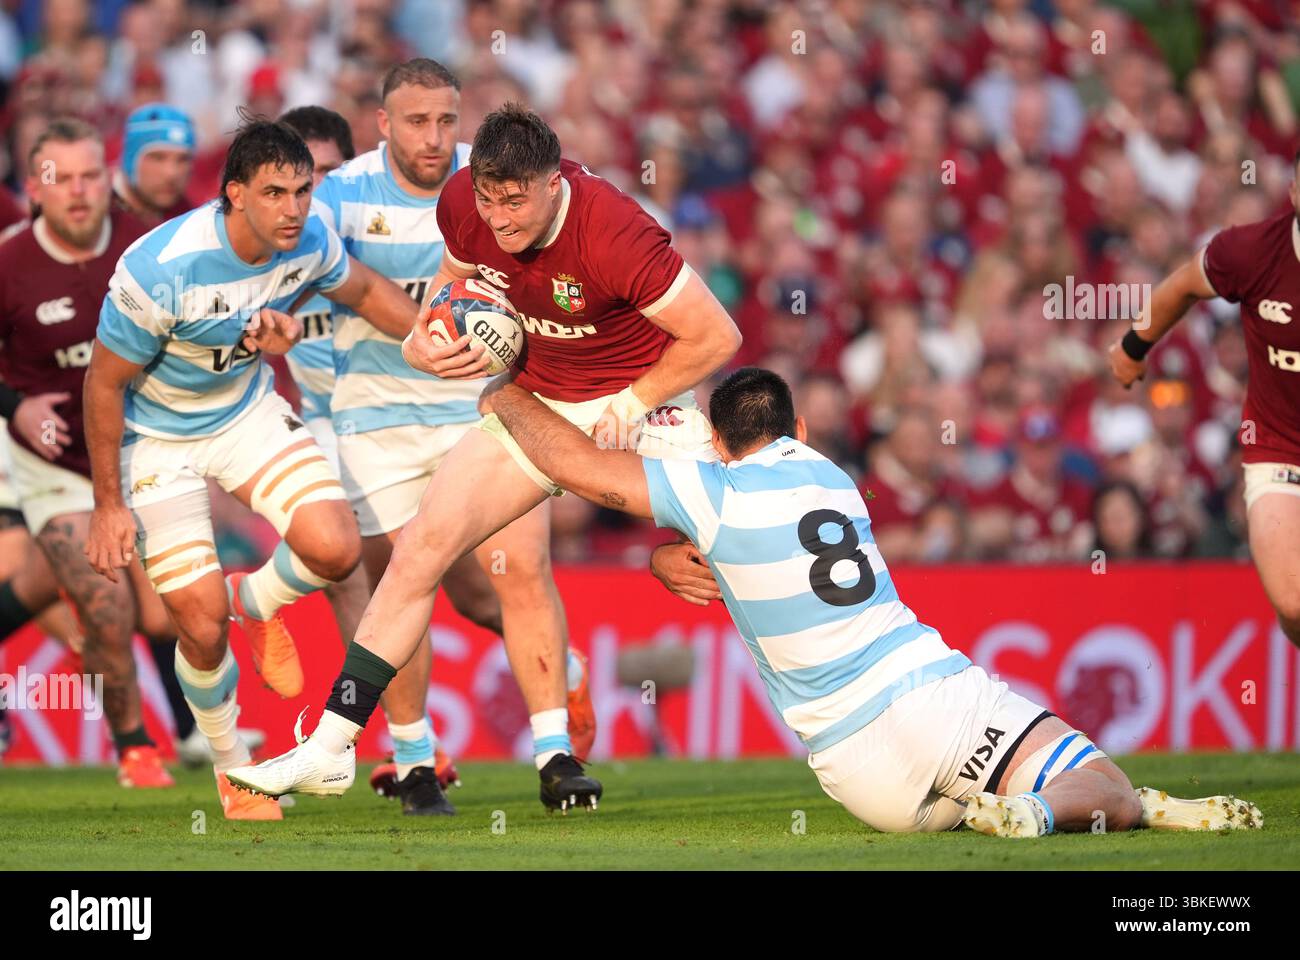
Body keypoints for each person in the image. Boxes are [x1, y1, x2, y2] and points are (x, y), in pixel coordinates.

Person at [472, 367, 1261, 837]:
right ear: (802, 429)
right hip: (929, 697)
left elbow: (577, 468)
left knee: (996, 792)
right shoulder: (837, 481)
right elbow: (759, 530)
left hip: (858, 779)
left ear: (718, 444)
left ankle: (1032, 805)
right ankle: (1055, 813)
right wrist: (669, 548)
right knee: (1107, 787)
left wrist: (505, 395)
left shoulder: (710, 492)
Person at [225, 102, 742, 813]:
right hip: (535, 407)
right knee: (417, 556)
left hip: (636, 411)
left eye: (515, 201)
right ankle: (329, 746)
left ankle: (884, 707)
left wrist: (631, 401)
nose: (498, 218)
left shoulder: (616, 231)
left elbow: (717, 336)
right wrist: (424, 343)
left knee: (748, 556)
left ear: (554, 182)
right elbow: (448, 292)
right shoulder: (465, 203)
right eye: (489, 199)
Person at [83, 116, 425, 819]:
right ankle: (235, 770)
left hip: (244, 416)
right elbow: (102, 384)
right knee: (201, 627)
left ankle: (256, 601)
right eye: (275, 192)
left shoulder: (308, 241)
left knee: (336, 551)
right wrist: (109, 504)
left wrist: (433, 338)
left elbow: (362, 292)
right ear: (233, 194)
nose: (294, 208)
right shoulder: (161, 267)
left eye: (302, 190)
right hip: (156, 441)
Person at [279, 64, 595, 815]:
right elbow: (287, 271)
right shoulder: (342, 195)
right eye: (415, 122)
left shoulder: (492, 188)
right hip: (377, 419)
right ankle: (417, 762)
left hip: (487, 409)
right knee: (403, 585)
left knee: (521, 569)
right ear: (382, 124)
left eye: (446, 120)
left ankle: (555, 755)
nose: (434, 137)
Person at [0, 118, 177, 787]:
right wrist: (16, 405)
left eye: (88, 175)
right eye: (58, 178)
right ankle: (135, 747)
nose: (76, 191)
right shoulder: (9, 262)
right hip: (54, 463)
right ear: (33, 189)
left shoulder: (146, 247)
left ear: (108, 181)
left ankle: (205, 734)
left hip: (142, 452)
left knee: (165, 613)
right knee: (107, 604)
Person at [1108, 150, 1300, 651]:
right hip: (1279, 449)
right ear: (1295, 194)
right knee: (1294, 603)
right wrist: (1133, 347)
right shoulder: (1252, 252)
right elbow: (1183, 288)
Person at [112, 104, 196, 226]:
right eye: (158, 158)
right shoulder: (98, 211)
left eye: (183, 159)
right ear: (130, 162)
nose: (171, 173)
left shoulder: (188, 216)